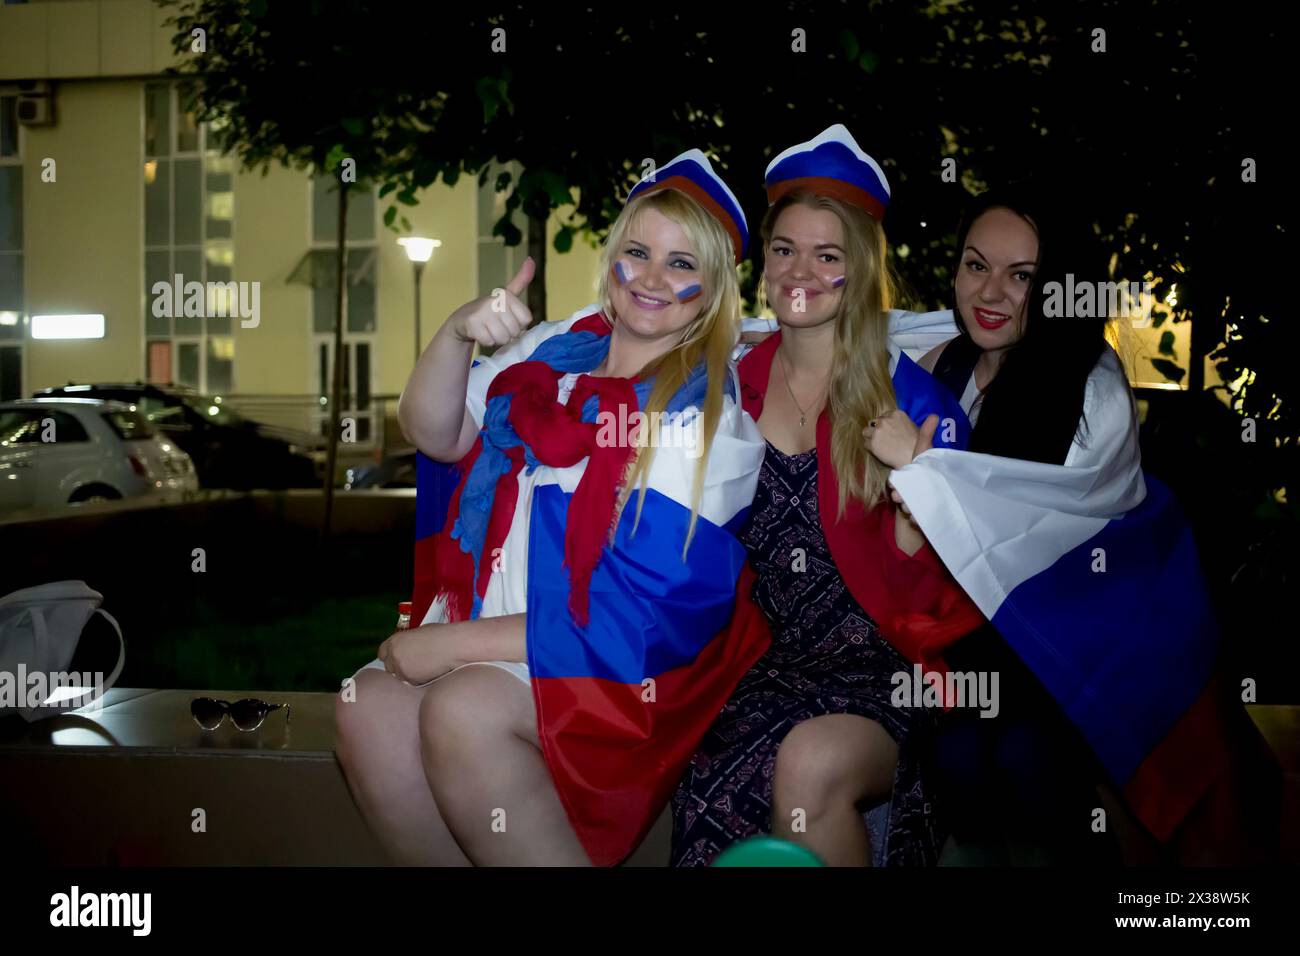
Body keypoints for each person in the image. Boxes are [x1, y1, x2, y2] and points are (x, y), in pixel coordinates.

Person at [335, 148, 769, 866]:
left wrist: (444, 644)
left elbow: (635, 623)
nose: (653, 278)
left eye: (682, 264)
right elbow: (433, 433)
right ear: (613, 261)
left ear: (714, 288)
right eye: (638, 252)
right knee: (365, 708)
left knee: (461, 708)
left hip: (613, 672)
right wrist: (457, 332)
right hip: (498, 642)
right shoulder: (550, 357)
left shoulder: (707, 422)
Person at [869, 187, 1278, 863]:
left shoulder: (1093, 390)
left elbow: (1051, 523)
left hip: (1080, 638)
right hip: (971, 640)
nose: (991, 291)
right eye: (976, 265)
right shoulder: (942, 360)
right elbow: (838, 336)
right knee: (962, 754)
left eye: (1022, 275)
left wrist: (921, 466)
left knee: (1027, 758)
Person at [672, 125, 983, 868]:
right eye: (784, 249)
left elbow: (951, 594)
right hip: (768, 671)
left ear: (860, 269)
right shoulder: (728, 390)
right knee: (707, 788)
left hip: (895, 680)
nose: (799, 270)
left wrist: (920, 484)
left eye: (827, 254)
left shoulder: (919, 406)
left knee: (808, 768)